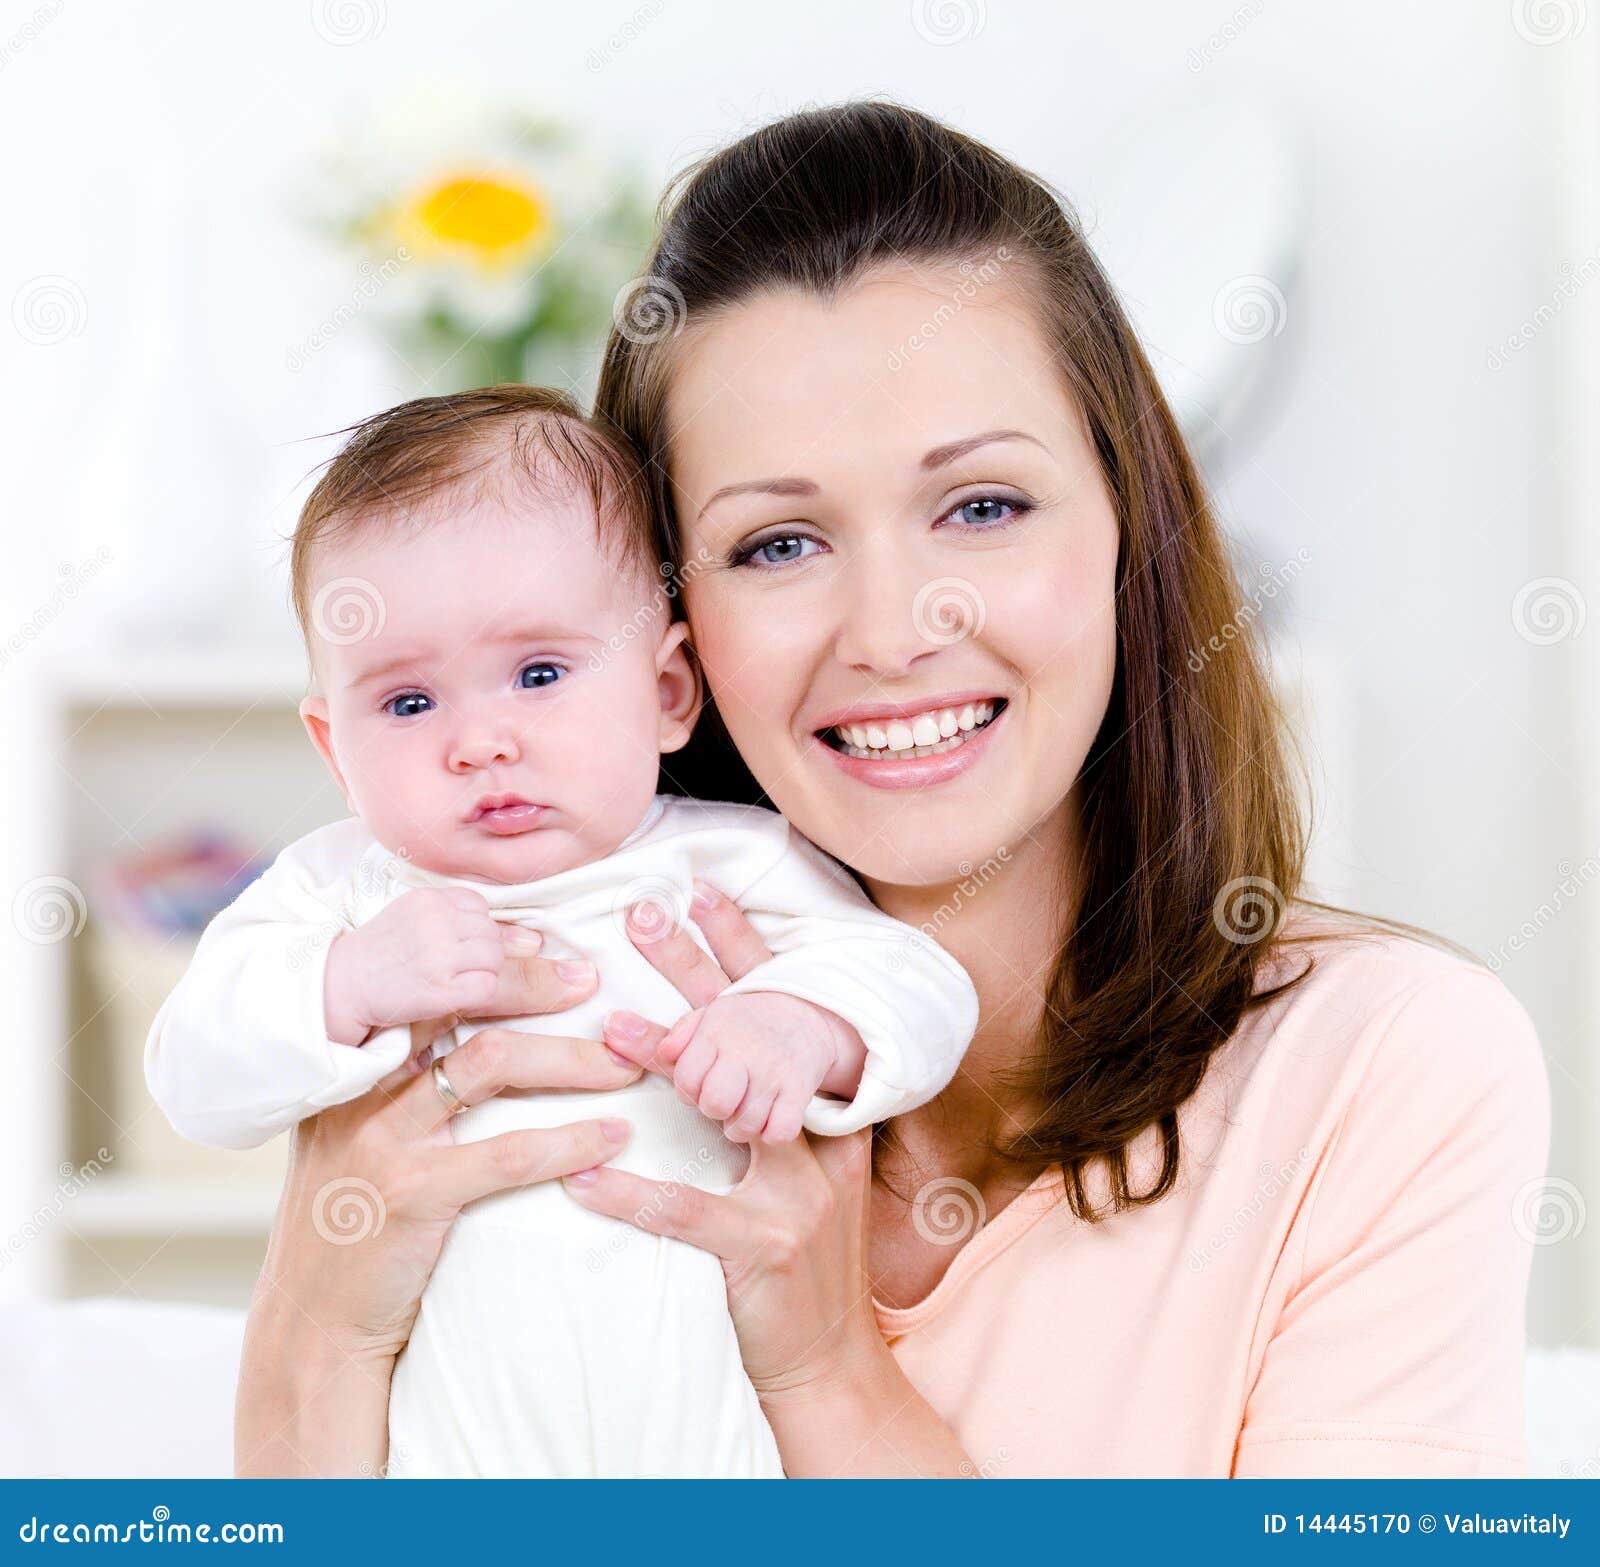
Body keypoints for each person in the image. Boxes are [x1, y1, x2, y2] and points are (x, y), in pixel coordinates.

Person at [235, 102, 1550, 1479]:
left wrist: (832, 1377)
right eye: (777, 541)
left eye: (981, 506)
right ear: (658, 639)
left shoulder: (1384, 1068)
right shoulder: (509, 1026)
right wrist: (319, 1333)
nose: (889, 628)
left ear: (1129, 523)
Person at [149, 384, 977, 1476]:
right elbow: (192, 1074)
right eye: (406, 704)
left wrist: (802, 1024)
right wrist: (344, 984)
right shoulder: (342, 894)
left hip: (708, 1438)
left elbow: (916, 983)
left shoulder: (732, 859)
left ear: (669, 688)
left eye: (538, 674)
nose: (480, 742)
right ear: (332, 746)